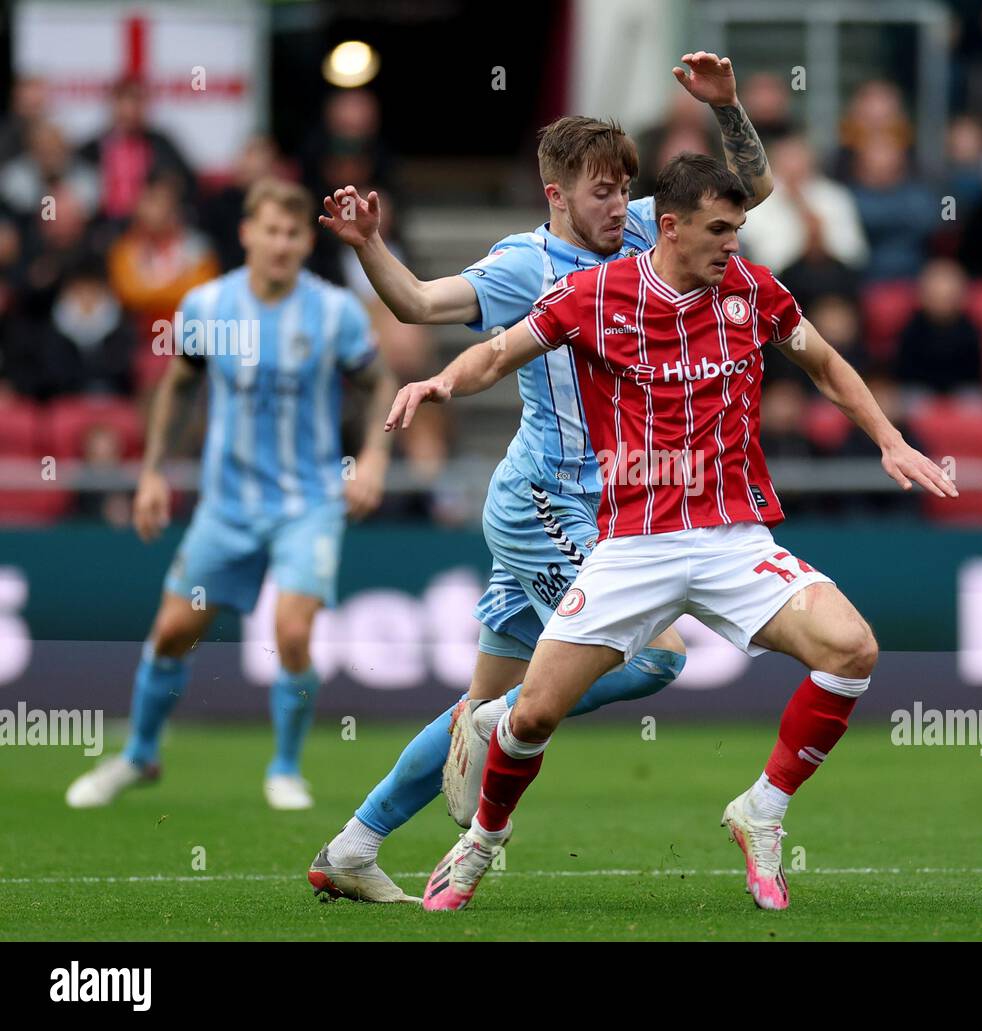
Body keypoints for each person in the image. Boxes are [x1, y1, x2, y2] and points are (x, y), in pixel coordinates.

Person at [386, 154, 955, 912]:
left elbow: (825, 363)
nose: (733, 244)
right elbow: (498, 350)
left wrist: (888, 437)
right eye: (719, 229)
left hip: (732, 538)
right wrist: (438, 382)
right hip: (632, 546)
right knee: (529, 716)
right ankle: (482, 839)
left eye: (740, 228)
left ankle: (762, 811)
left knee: (852, 650)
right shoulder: (596, 294)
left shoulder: (752, 291)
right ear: (671, 226)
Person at [307, 52, 776, 904]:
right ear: (555, 194)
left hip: (592, 502)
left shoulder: (643, 230)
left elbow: (752, 191)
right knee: (659, 654)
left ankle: (352, 844)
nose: (618, 204)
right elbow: (415, 302)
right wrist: (370, 243)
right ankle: (498, 727)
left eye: (625, 186)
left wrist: (729, 107)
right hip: (544, 502)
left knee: (479, 702)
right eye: (601, 190)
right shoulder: (522, 265)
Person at [65, 179, 395, 811]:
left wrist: (374, 459)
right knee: (170, 633)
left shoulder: (334, 312)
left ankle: (285, 769)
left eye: (293, 233)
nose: (280, 243)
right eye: (269, 230)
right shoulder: (207, 306)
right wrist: (155, 472)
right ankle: (139, 756)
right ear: (246, 233)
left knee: (292, 631)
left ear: (306, 240)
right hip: (226, 503)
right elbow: (180, 387)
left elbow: (380, 383)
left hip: (309, 502)